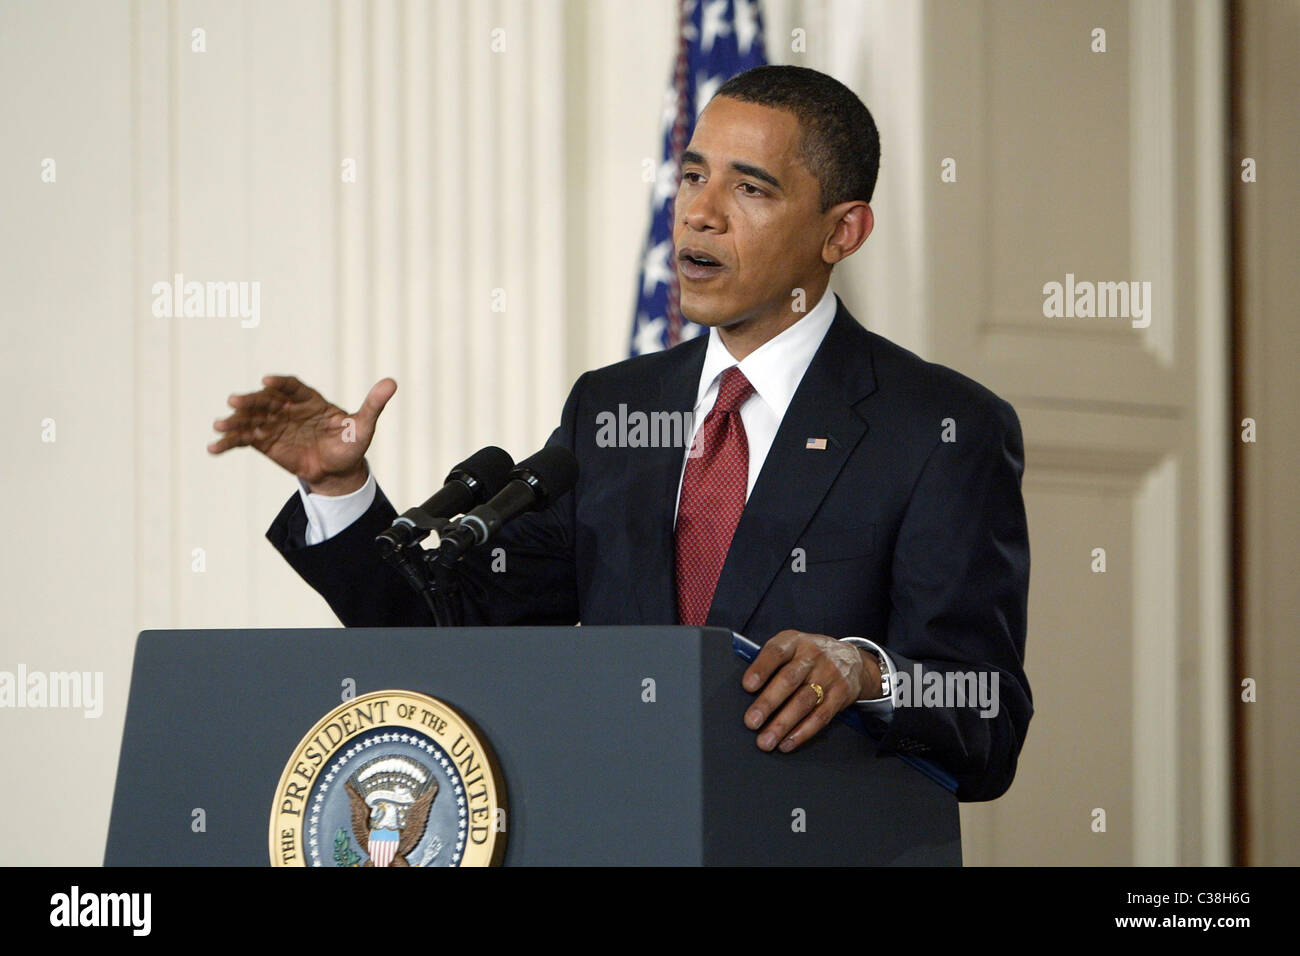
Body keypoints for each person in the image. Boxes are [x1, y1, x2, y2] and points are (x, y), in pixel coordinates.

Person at [209, 65, 1031, 802]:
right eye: (692, 176)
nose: (700, 215)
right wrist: (342, 490)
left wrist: (867, 672)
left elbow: (986, 713)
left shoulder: (939, 430)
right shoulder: (614, 411)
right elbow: (446, 635)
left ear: (841, 231)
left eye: (750, 190)